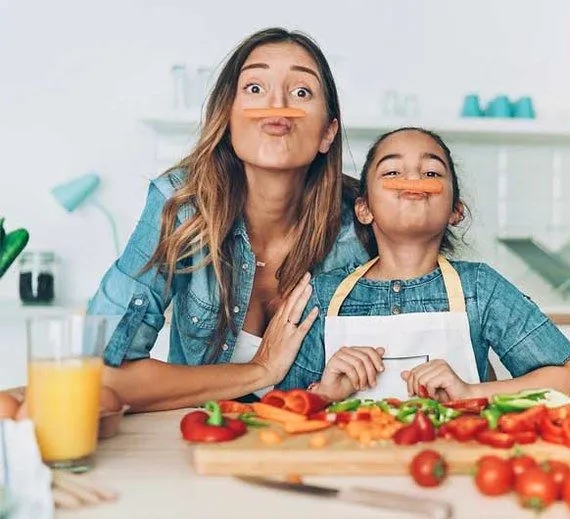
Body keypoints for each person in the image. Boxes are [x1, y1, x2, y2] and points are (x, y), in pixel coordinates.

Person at [86, 28, 369, 412]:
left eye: (301, 92)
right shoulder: (180, 205)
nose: (277, 106)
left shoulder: (362, 225)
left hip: (321, 447)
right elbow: (100, 372)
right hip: (200, 443)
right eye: (255, 88)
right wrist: (261, 369)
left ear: (327, 133)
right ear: (228, 118)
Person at [278, 127, 570, 403]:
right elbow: (283, 406)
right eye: (392, 173)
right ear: (364, 209)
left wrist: (470, 392)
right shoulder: (321, 294)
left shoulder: (481, 288)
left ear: (455, 210)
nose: (413, 181)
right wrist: (323, 394)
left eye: (431, 174)